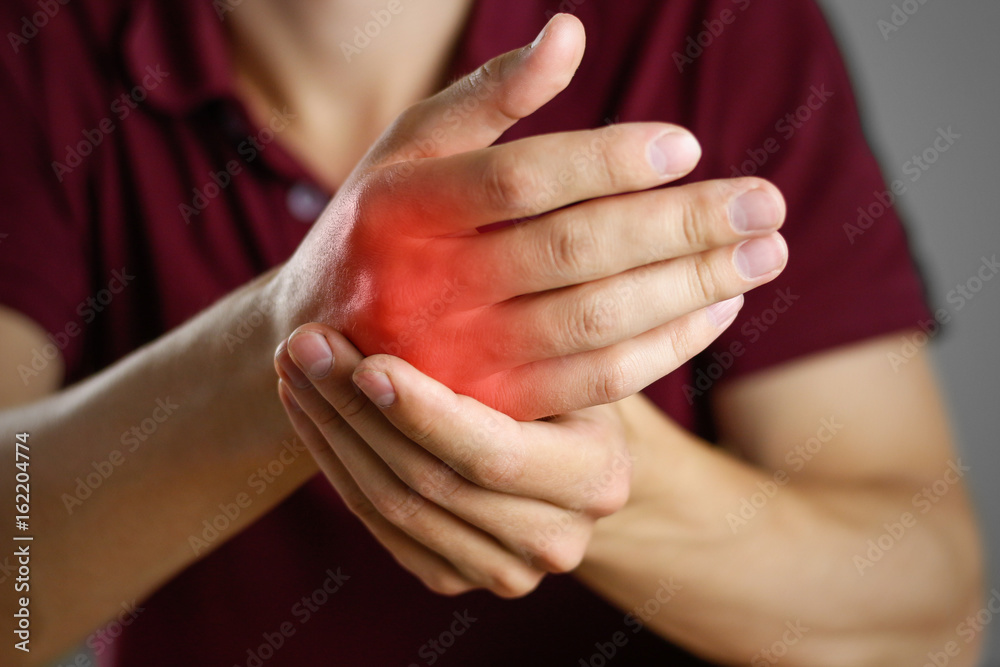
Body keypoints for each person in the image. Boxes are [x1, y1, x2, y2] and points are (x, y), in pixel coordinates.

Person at [0, 0, 983, 665]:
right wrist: (298, 333)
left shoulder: (716, 27)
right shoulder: (33, 47)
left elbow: (930, 612)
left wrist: (605, 482)